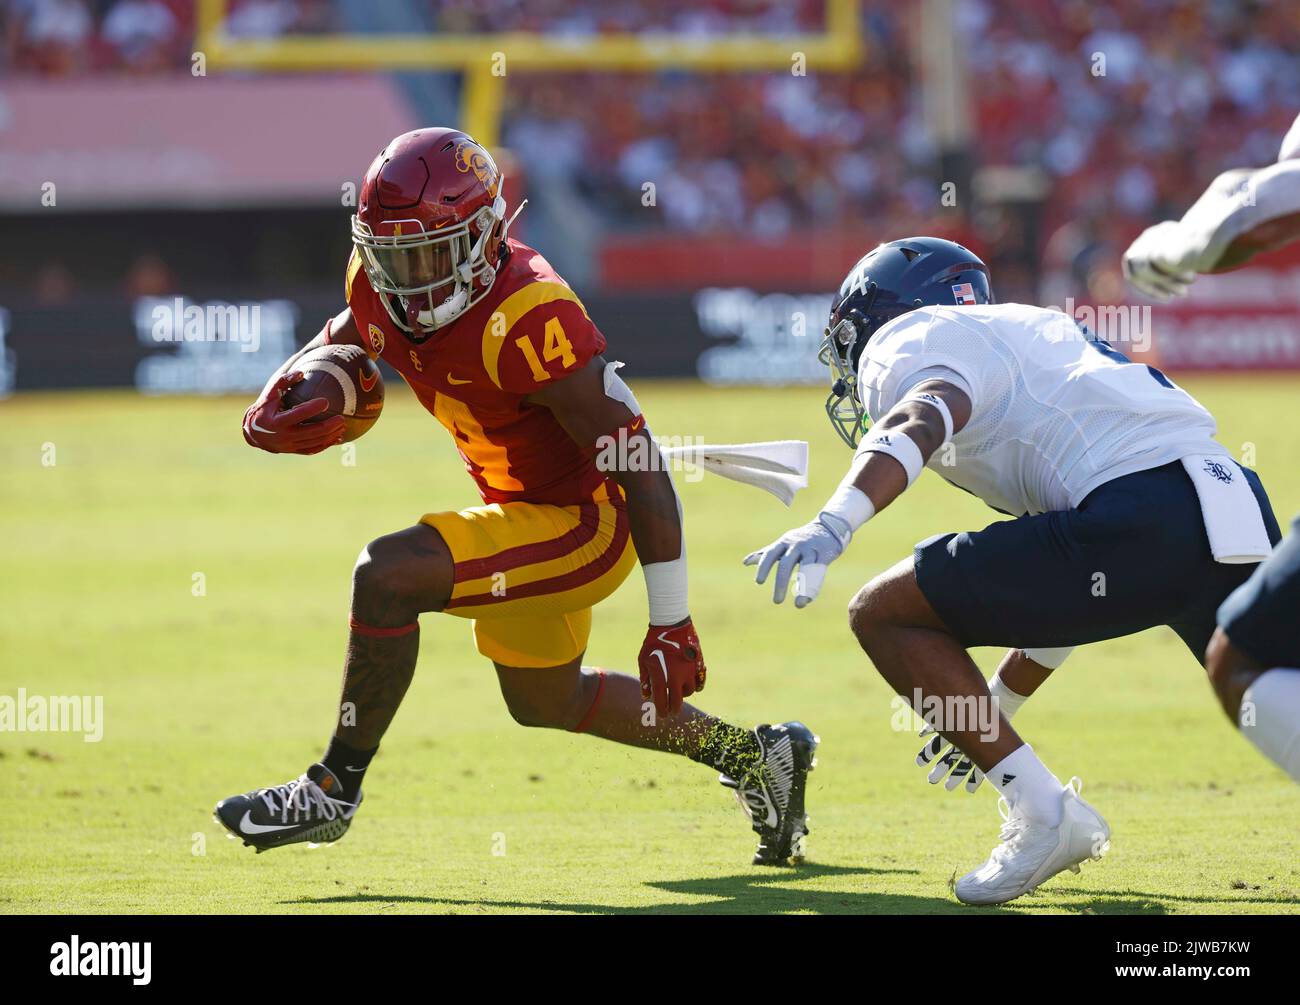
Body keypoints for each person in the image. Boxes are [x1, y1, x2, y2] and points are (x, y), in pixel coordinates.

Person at [216, 128, 817, 866]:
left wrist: (672, 620)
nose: (409, 277)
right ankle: (761, 756)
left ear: (482, 236)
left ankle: (331, 790)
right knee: (544, 700)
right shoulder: (377, 279)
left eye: (429, 253)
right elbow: (348, 333)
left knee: (388, 574)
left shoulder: (531, 317)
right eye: (393, 255)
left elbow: (640, 463)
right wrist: (295, 384)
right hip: (518, 509)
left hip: (588, 523)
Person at [746, 237, 1281, 904]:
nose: (851, 362)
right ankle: (1044, 810)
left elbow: (926, 410)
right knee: (1279, 695)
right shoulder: (1037, 333)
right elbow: (1074, 583)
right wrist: (998, 702)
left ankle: (1045, 814)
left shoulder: (912, 336)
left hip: (1138, 514)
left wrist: (835, 521)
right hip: (1229, 503)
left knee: (884, 614)